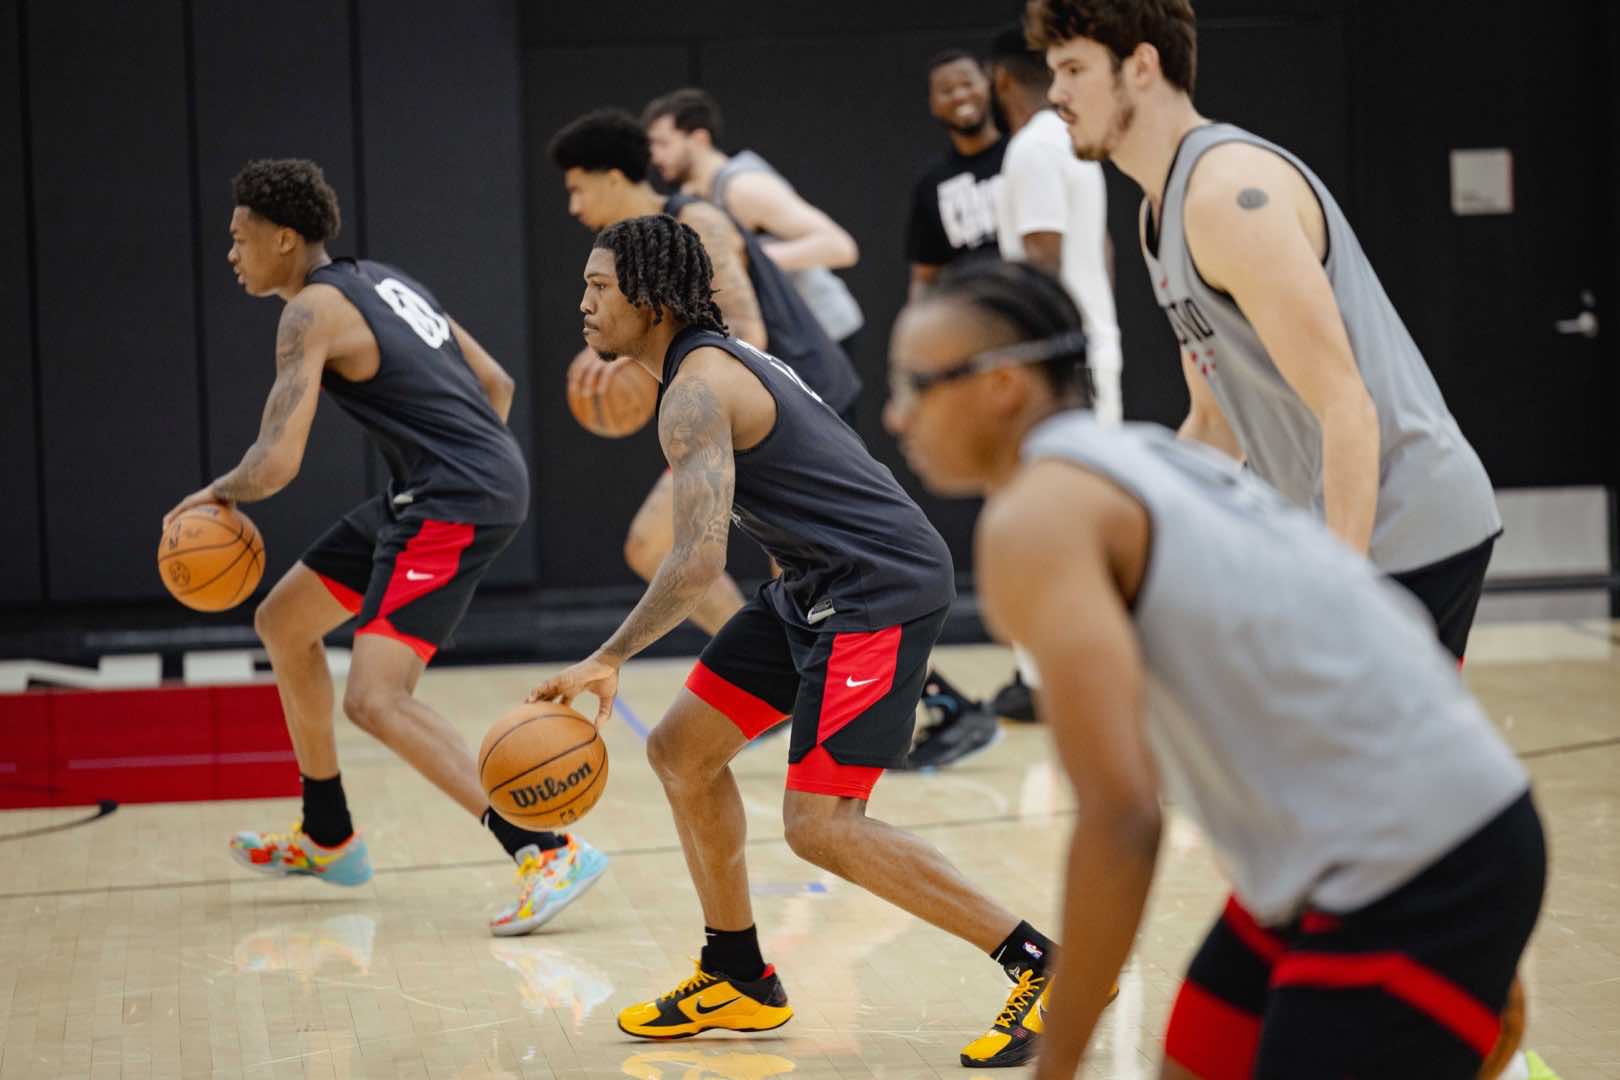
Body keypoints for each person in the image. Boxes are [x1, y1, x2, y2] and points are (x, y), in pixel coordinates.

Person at [885, 257, 1545, 1079]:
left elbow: (1122, 820)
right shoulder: (1150, 454)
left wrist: (1059, 1065)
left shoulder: (1038, 517)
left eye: (916, 384)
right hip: (1382, 840)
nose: (896, 414)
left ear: (1003, 386)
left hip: (1418, 864)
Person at [529, 214, 1069, 1067]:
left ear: (650, 299)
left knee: (823, 825)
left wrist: (608, 655)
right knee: (680, 752)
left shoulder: (697, 389)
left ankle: (1042, 967)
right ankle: (738, 976)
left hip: (874, 588)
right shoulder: (712, 366)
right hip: (814, 586)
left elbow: (698, 560)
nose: (584, 305)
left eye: (599, 288)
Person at [161, 158, 605, 937]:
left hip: (449, 498)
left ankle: (546, 849)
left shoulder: (308, 312)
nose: (231, 253)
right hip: (435, 491)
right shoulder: (382, 279)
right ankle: (328, 834)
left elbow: (276, 462)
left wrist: (210, 496)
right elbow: (495, 383)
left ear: (286, 237)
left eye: (241, 238)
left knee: (376, 698)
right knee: (283, 622)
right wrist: (462, 465)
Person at [1029, 0, 1502, 663]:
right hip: (1324, 525)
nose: (1055, 93)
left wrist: (1335, 594)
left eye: (1073, 68)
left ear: (1140, 66)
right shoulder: (1157, 214)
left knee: (1361, 760)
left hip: (1410, 526)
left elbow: (1348, 409)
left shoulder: (1228, 196)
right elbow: (1214, 422)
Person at [550, 109, 996, 767]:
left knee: (725, 558)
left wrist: (679, 393)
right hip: (751, 407)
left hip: (791, 408)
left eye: (578, 187)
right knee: (785, 584)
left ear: (614, 178)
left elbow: (745, 335)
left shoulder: (696, 223)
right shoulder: (649, 256)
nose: (573, 205)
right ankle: (796, 685)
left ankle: (919, 697)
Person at [985, 22, 1127, 724]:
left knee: (1053, 526)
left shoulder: (1034, 146)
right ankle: (1048, 675)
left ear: (1001, 80)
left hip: (1059, 364)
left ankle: (1056, 681)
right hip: (1090, 347)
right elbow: (1098, 253)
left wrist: (1039, 365)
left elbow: (1043, 258)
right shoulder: (1075, 143)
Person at [642, 87, 866, 356]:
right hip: (780, 337)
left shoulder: (743, 188)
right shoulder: (691, 197)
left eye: (663, 143)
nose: (654, 156)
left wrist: (748, 259)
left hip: (823, 333)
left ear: (700, 139)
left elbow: (840, 247)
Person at [907, 49, 1008, 299]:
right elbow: (924, 278)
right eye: (946, 90)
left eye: (967, 83)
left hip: (1032, 304)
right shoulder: (931, 185)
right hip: (972, 316)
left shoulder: (1022, 154)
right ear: (933, 104)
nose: (960, 95)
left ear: (988, 84)